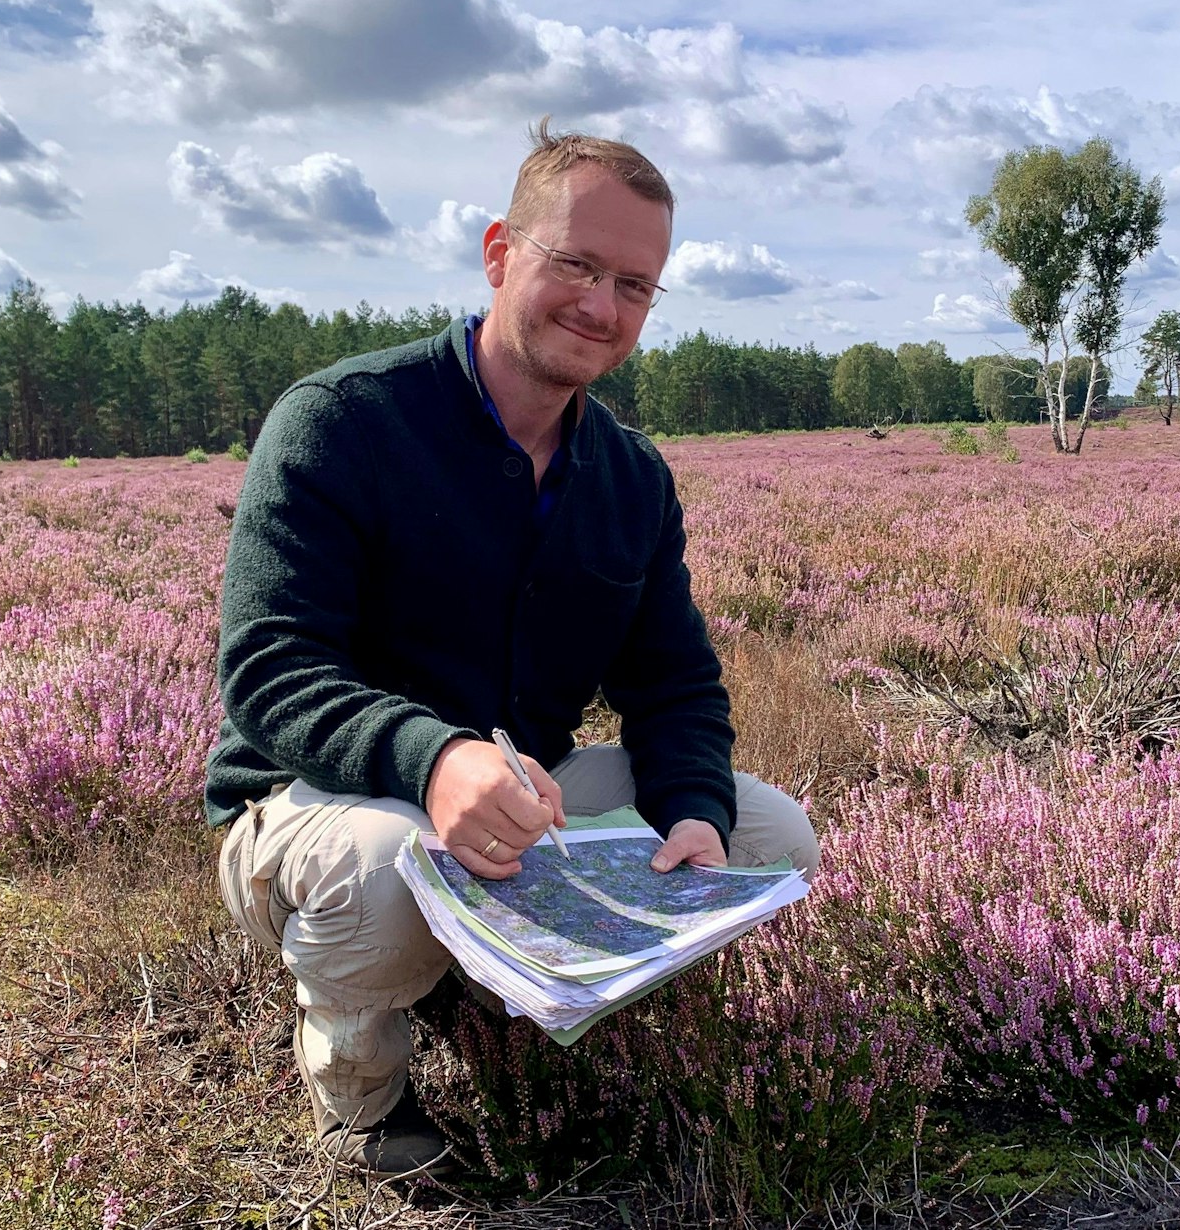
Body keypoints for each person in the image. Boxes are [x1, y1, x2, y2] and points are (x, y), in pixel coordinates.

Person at [204, 120, 819, 1179]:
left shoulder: (628, 477)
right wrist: (436, 760)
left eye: (634, 283)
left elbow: (674, 686)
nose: (600, 304)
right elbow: (271, 670)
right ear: (499, 252)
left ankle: (522, 994)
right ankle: (362, 1094)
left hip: (517, 793)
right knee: (386, 864)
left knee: (773, 834)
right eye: (573, 263)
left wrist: (694, 818)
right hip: (307, 802)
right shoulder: (344, 422)